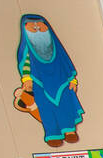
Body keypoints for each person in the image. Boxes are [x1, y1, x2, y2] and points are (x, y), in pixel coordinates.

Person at [16, 14, 83, 147]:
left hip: (61, 81)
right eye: (33, 28)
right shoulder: (28, 50)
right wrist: (27, 79)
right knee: (46, 108)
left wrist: (73, 80)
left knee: (65, 105)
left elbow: (65, 62)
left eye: (40, 27)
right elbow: (25, 63)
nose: (37, 30)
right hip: (39, 82)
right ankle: (53, 134)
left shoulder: (56, 48)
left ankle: (69, 131)